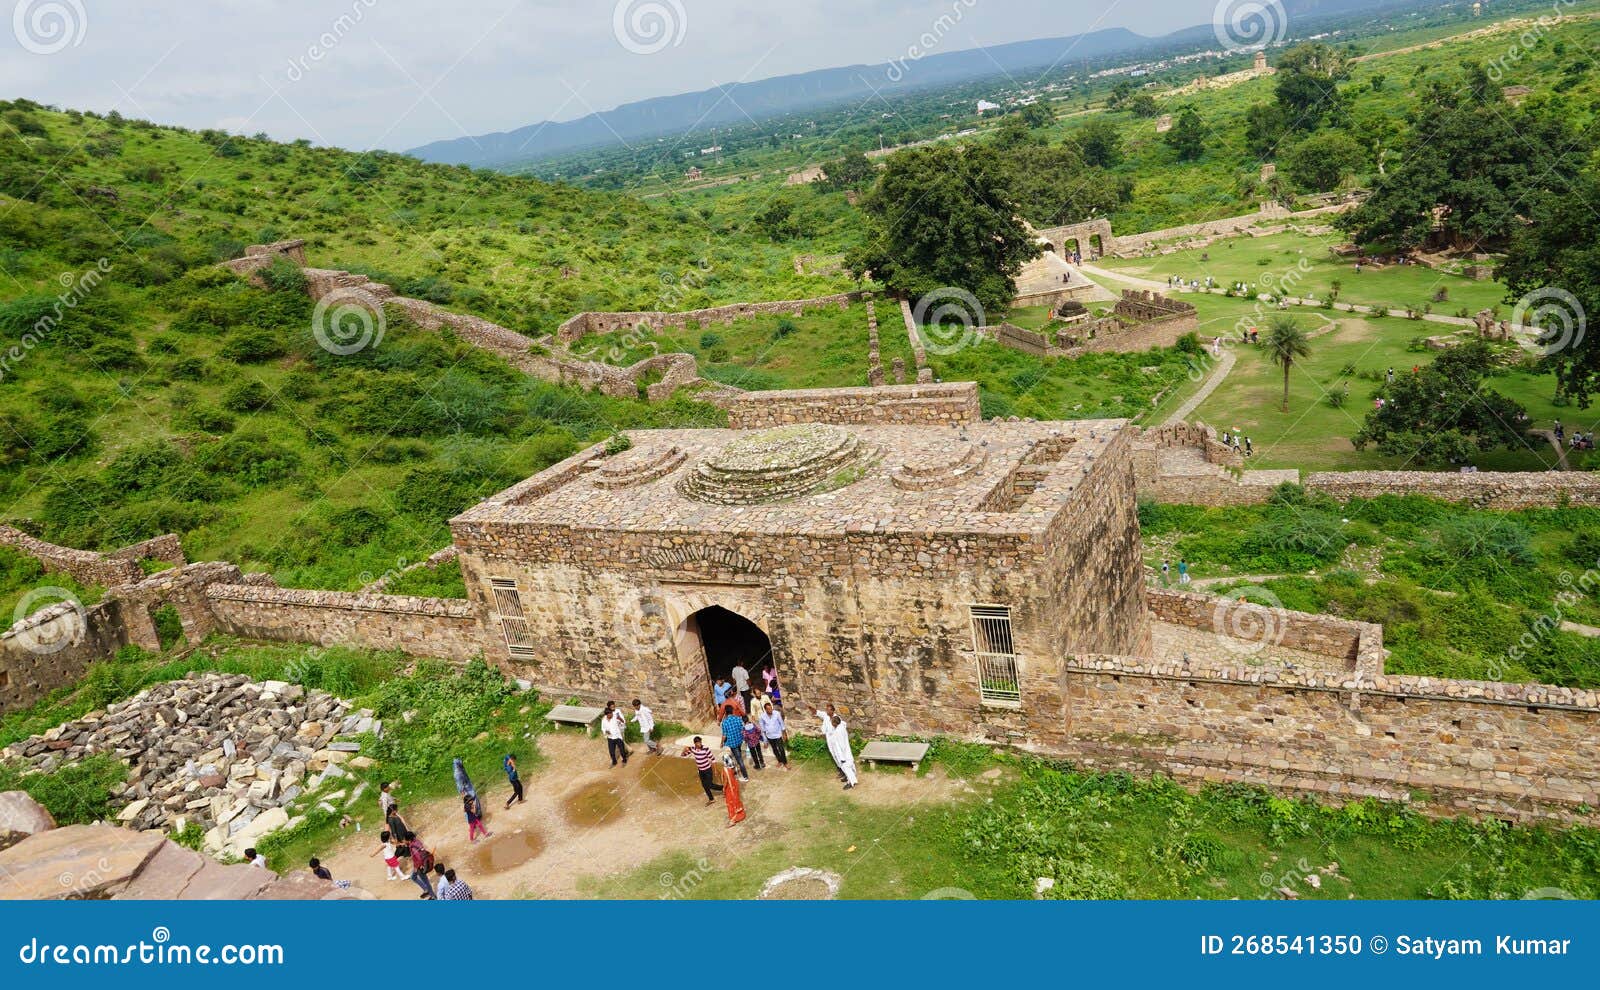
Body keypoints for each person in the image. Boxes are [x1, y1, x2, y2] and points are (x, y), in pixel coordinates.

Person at [817, 709, 858, 789]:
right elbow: (844, 723)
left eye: (832, 722)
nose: (831, 724)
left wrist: (842, 758)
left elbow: (839, 746)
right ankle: (848, 778)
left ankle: (851, 782)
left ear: (835, 723)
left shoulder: (837, 732)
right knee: (849, 766)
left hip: (843, 754)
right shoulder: (841, 727)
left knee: (846, 767)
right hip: (846, 751)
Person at [684, 736, 723, 804]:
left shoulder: (705, 749)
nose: (700, 744)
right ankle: (711, 799)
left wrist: (715, 770)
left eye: (700, 742)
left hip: (708, 770)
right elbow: (683, 755)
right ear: (695, 744)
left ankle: (723, 788)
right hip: (701, 771)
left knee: (710, 785)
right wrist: (684, 749)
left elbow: (713, 759)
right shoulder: (693, 749)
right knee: (704, 785)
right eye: (698, 743)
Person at [720, 704, 749, 780]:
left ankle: (745, 776)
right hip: (739, 740)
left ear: (725, 712)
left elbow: (724, 735)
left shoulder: (724, 723)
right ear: (732, 711)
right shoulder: (738, 719)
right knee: (738, 756)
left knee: (739, 760)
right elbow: (742, 729)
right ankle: (739, 770)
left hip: (732, 743)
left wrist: (721, 743)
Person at [720, 749, 747, 827]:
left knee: (731, 802)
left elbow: (726, 781)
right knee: (736, 799)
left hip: (730, 788)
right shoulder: (733, 767)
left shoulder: (726, 770)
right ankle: (740, 813)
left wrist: (723, 789)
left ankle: (733, 819)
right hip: (735, 786)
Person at [759, 702, 789, 769]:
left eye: (771, 708)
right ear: (765, 710)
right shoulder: (762, 717)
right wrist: (765, 741)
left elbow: (782, 724)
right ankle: (780, 761)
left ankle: (785, 763)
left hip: (778, 735)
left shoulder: (777, 713)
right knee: (775, 749)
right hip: (770, 736)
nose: (770, 710)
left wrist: (784, 734)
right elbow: (763, 730)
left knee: (781, 749)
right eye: (768, 709)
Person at [405, 832, 434, 899]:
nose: (404, 840)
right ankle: (426, 890)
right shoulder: (417, 841)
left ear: (408, 840)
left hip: (420, 867)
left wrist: (417, 867)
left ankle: (433, 896)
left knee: (426, 881)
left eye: (405, 839)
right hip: (421, 863)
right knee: (413, 877)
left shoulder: (412, 848)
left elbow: (419, 858)